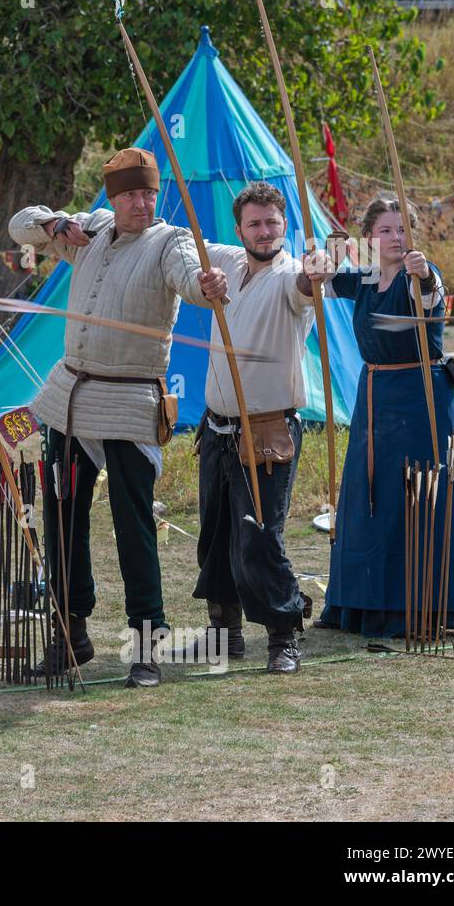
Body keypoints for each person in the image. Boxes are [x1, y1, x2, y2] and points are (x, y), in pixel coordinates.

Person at [9, 147, 228, 688]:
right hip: (68, 398)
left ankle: (146, 644)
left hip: (130, 402)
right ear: (113, 198)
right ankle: (71, 631)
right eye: (130, 194)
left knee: (134, 527)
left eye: (148, 193)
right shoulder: (92, 229)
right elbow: (21, 226)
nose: (141, 203)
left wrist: (209, 287)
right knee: (62, 522)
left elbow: (190, 282)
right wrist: (58, 222)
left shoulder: (170, 240)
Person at [317, 196, 454, 636]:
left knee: (427, 500)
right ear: (370, 238)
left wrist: (424, 270)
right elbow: (321, 284)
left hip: (423, 403)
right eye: (386, 231)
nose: (396, 238)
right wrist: (317, 262)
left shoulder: (420, 277)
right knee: (373, 501)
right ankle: (365, 603)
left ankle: (439, 607)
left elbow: (431, 294)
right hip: (374, 401)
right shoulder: (369, 276)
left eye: (403, 230)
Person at [176, 182, 312, 673]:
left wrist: (322, 270)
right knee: (214, 535)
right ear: (240, 229)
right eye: (254, 223)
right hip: (217, 430)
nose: (263, 231)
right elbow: (176, 236)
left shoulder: (291, 274)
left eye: (272, 222)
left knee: (258, 535)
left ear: (285, 226)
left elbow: (308, 289)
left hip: (268, 431)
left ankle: (283, 635)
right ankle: (223, 634)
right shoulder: (230, 261)